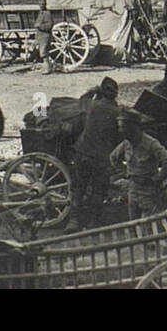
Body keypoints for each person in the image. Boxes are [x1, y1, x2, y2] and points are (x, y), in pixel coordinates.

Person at [69, 77, 120, 229]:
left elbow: (83, 99)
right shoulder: (117, 111)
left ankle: (73, 221)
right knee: (98, 191)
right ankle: (93, 221)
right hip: (102, 157)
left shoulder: (92, 105)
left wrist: (94, 91)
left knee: (78, 188)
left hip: (83, 152)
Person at [110, 110, 167, 219]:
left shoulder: (151, 144)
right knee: (134, 224)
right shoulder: (126, 143)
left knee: (149, 225)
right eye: (119, 127)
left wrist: (156, 179)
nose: (120, 131)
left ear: (134, 127)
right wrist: (125, 172)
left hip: (149, 191)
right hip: (133, 189)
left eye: (123, 127)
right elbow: (113, 157)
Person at [34, 0, 57, 74]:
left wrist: (40, 26)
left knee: (44, 53)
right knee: (42, 53)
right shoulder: (40, 13)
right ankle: (47, 67)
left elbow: (50, 25)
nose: (41, 6)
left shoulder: (47, 13)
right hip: (40, 36)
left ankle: (48, 69)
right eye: (40, 4)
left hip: (45, 35)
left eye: (43, 4)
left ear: (45, 4)